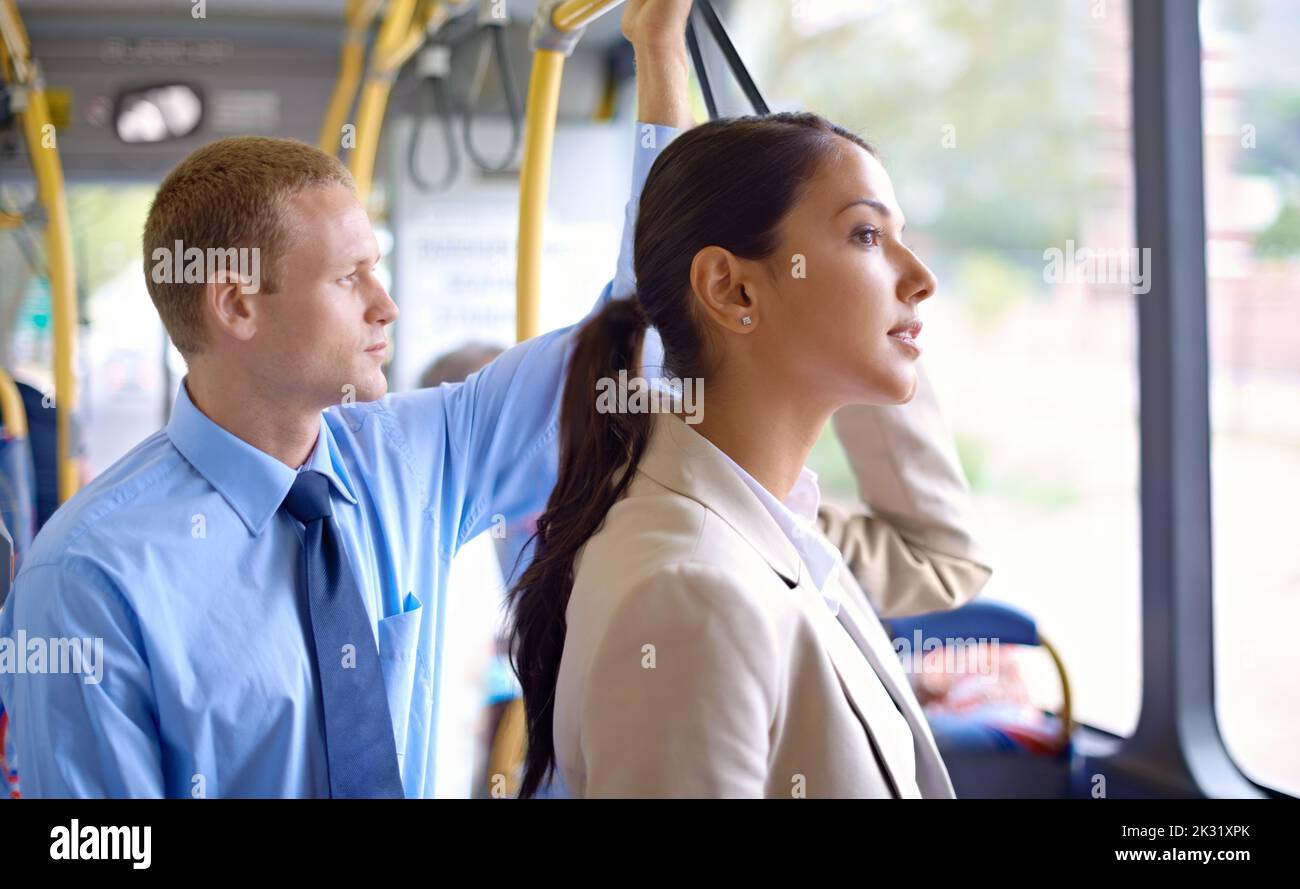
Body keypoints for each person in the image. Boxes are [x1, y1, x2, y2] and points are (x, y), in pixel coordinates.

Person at [0, 0, 693, 798]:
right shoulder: (89, 577)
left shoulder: (416, 455)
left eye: (378, 267)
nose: (385, 305)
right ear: (236, 305)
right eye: (348, 277)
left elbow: (638, 343)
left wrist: (660, 51)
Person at [508, 109, 993, 797]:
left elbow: (942, 557)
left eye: (901, 238)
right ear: (733, 290)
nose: (921, 276)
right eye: (866, 234)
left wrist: (891, 342)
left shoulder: (776, 523)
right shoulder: (688, 591)